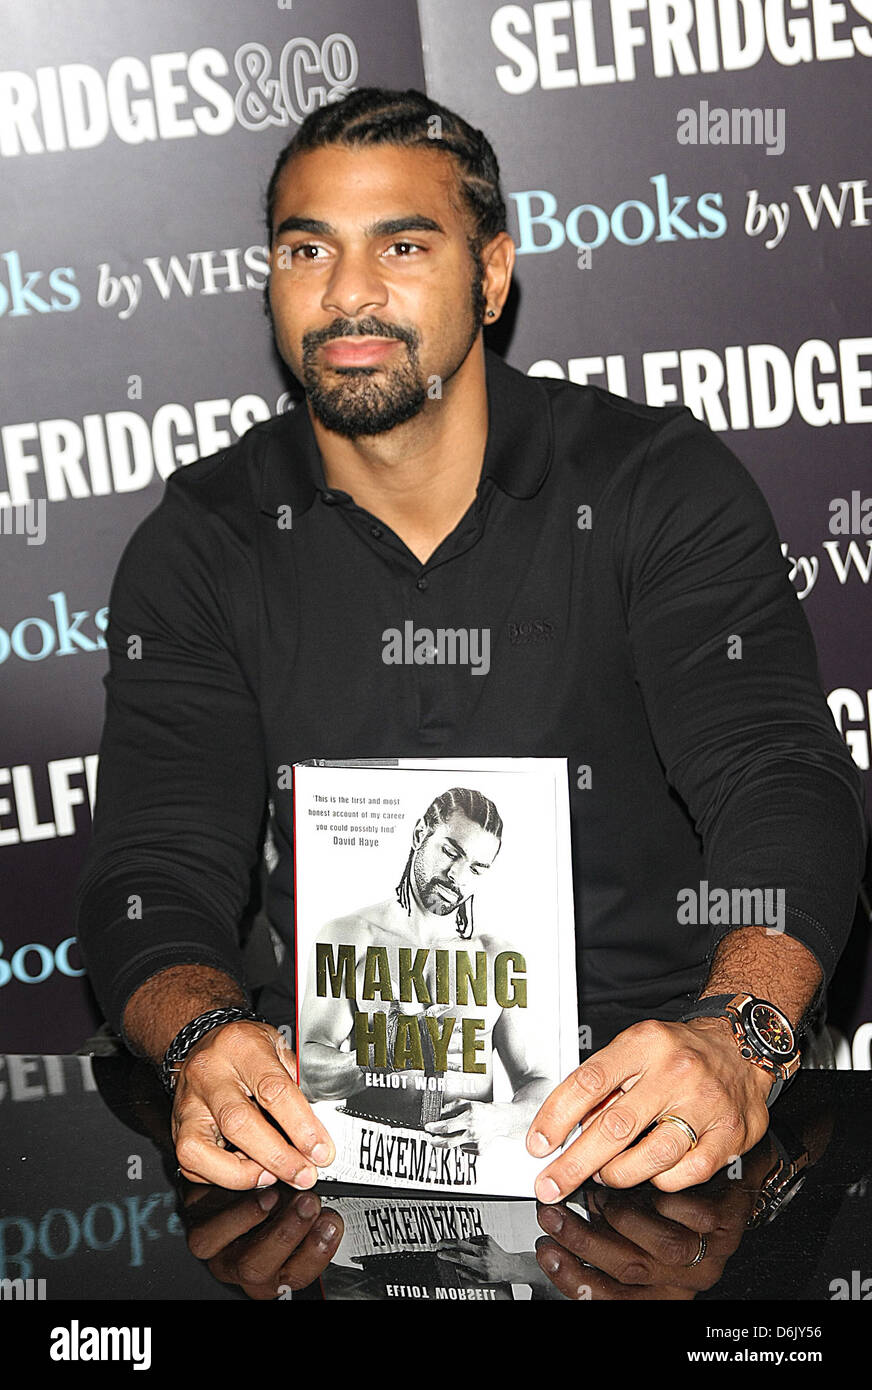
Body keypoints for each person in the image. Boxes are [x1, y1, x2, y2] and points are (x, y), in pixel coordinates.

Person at [74, 87, 867, 1208]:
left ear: (491, 274)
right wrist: (203, 1035)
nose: (349, 292)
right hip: (331, 1132)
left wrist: (736, 1034)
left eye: (402, 244)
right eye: (309, 248)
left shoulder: (652, 486)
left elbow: (780, 775)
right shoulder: (203, 539)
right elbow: (153, 869)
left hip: (652, 1112)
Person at [298, 786, 554, 1150]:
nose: (458, 877)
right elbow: (309, 1075)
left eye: (477, 868)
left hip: (468, 1179)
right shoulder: (349, 937)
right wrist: (378, 1058)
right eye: (451, 852)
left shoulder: (498, 957)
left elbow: (541, 1083)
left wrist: (499, 1119)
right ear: (421, 834)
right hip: (369, 1168)